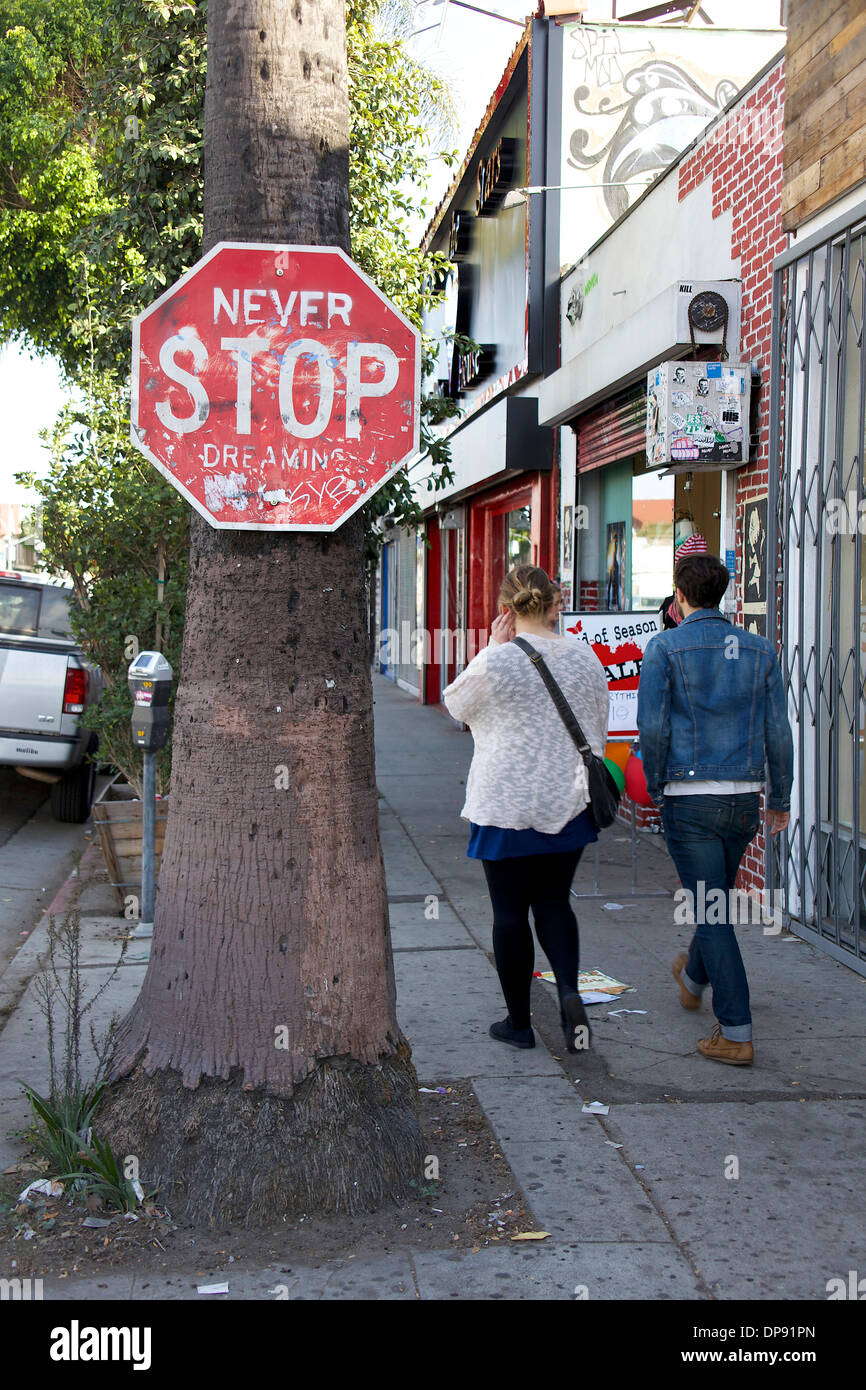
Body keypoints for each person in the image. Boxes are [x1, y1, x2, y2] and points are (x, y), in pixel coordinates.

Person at [443, 564, 610, 1053]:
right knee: (555, 902)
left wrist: (492, 650)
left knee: (509, 914)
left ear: (506, 609)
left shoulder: (497, 661)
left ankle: (519, 1023)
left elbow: (457, 706)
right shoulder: (585, 658)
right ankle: (570, 993)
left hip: (505, 801)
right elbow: (598, 728)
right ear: (556, 603)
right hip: (568, 800)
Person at [637, 553, 793, 1066]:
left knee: (712, 910)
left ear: (679, 597)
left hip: (690, 798)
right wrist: (780, 797)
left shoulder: (665, 647)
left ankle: (736, 1031)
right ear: (721, 595)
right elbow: (778, 731)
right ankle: (695, 974)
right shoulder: (758, 649)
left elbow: (653, 730)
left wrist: (656, 789)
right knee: (717, 900)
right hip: (744, 799)